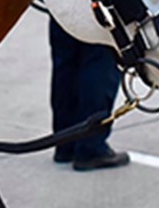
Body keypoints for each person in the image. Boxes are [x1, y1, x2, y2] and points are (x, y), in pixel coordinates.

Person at [49, 18, 130, 171]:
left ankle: (65, 143)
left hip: (61, 5)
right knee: (100, 63)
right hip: (95, 7)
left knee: (66, 64)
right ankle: (91, 148)